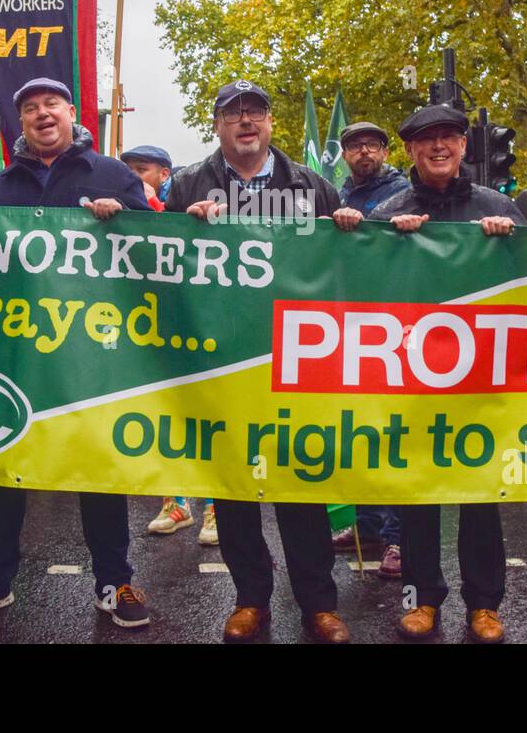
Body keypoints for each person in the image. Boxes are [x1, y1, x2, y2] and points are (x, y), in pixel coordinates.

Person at [0, 78, 153, 629]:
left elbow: (157, 249)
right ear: (22, 124)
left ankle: (114, 582)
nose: (42, 114)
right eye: (30, 108)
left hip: (93, 354)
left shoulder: (112, 174)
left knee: (98, 470)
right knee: (3, 468)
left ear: (71, 113)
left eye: (51, 104)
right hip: (16, 355)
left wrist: (126, 217)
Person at [166, 79, 350, 644]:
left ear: (271, 122)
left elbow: (348, 265)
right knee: (234, 488)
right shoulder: (187, 184)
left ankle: (319, 604)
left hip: (295, 355)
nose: (246, 121)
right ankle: (250, 600)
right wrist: (182, 226)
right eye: (233, 113)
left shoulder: (314, 185)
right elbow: (159, 264)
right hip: (221, 356)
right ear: (217, 124)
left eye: (256, 112)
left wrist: (350, 224)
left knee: (301, 485)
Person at [333, 104, 524, 642]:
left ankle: (484, 605)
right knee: (418, 498)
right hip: (412, 376)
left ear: (463, 146)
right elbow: (358, 288)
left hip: (480, 378)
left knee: (481, 498)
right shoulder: (389, 209)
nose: (438, 147)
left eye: (448, 138)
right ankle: (421, 600)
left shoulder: (497, 206)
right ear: (411, 150)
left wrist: (512, 240)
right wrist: (369, 235)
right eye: (426, 140)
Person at [119, 145, 218, 545]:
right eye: (128, 170)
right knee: (166, 417)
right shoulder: (130, 209)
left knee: (208, 418)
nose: (133, 177)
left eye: (141, 169)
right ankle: (176, 504)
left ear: (164, 174)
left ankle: (215, 506)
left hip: (199, 324)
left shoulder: (183, 205)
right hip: (158, 328)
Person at [324, 120, 409, 576]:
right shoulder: (338, 194)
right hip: (352, 322)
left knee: (392, 434)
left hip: (394, 320)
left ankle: (397, 538)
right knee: (360, 430)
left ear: (385, 151)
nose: (363, 152)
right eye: (355, 146)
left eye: (372, 145)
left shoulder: (402, 192)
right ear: (345, 155)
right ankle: (367, 525)